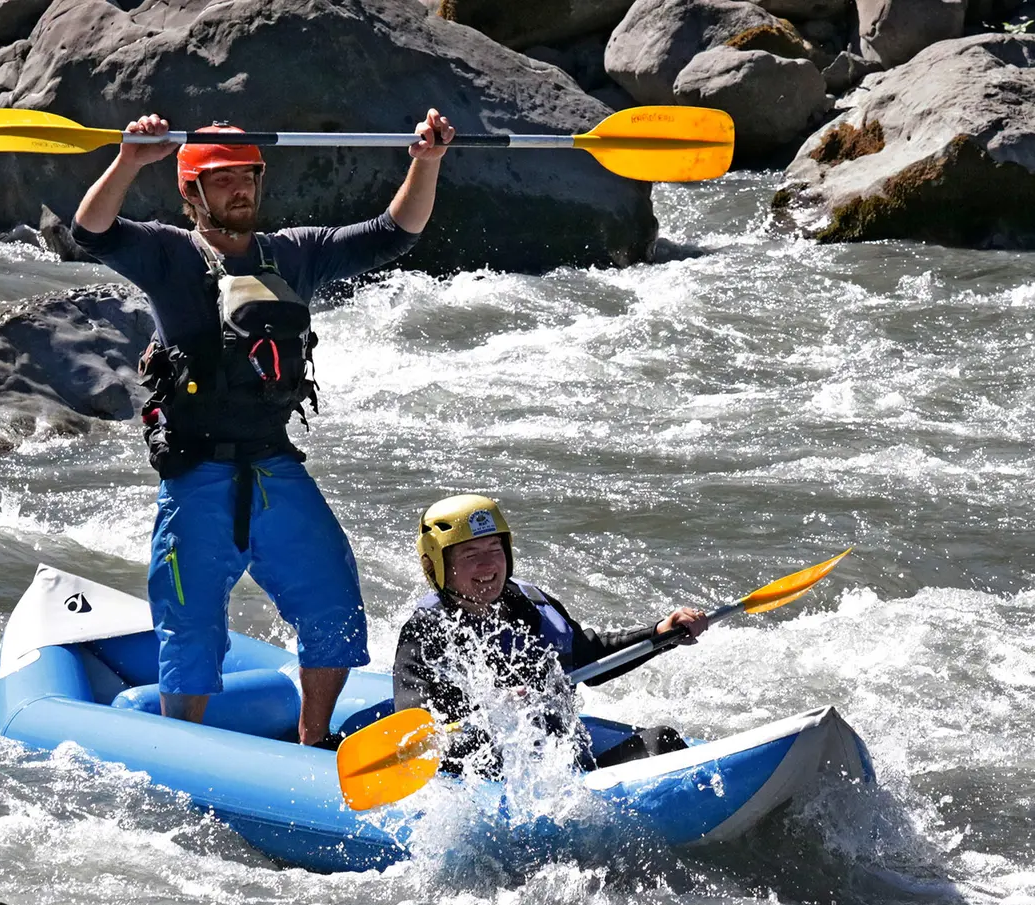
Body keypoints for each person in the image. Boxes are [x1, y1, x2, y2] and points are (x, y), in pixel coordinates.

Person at [70, 107, 454, 743]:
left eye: (248, 177)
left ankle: (314, 740)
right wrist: (129, 159)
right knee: (190, 631)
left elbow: (394, 233)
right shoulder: (168, 254)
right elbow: (92, 232)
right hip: (196, 476)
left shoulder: (294, 254)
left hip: (274, 465)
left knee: (333, 606)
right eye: (222, 180)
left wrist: (427, 162)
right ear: (192, 192)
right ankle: (182, 747)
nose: (240, 190)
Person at [393, 494, 708, 777]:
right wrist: (494, 711)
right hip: (490, 775)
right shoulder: (426, 633)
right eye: (470, 554)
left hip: (559, 757)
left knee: (660, 741)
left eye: (495, 549)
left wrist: (660, 633)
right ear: (438, 565)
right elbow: (415, 734)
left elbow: (589, 659)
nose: (488, 564)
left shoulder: (530, 604)